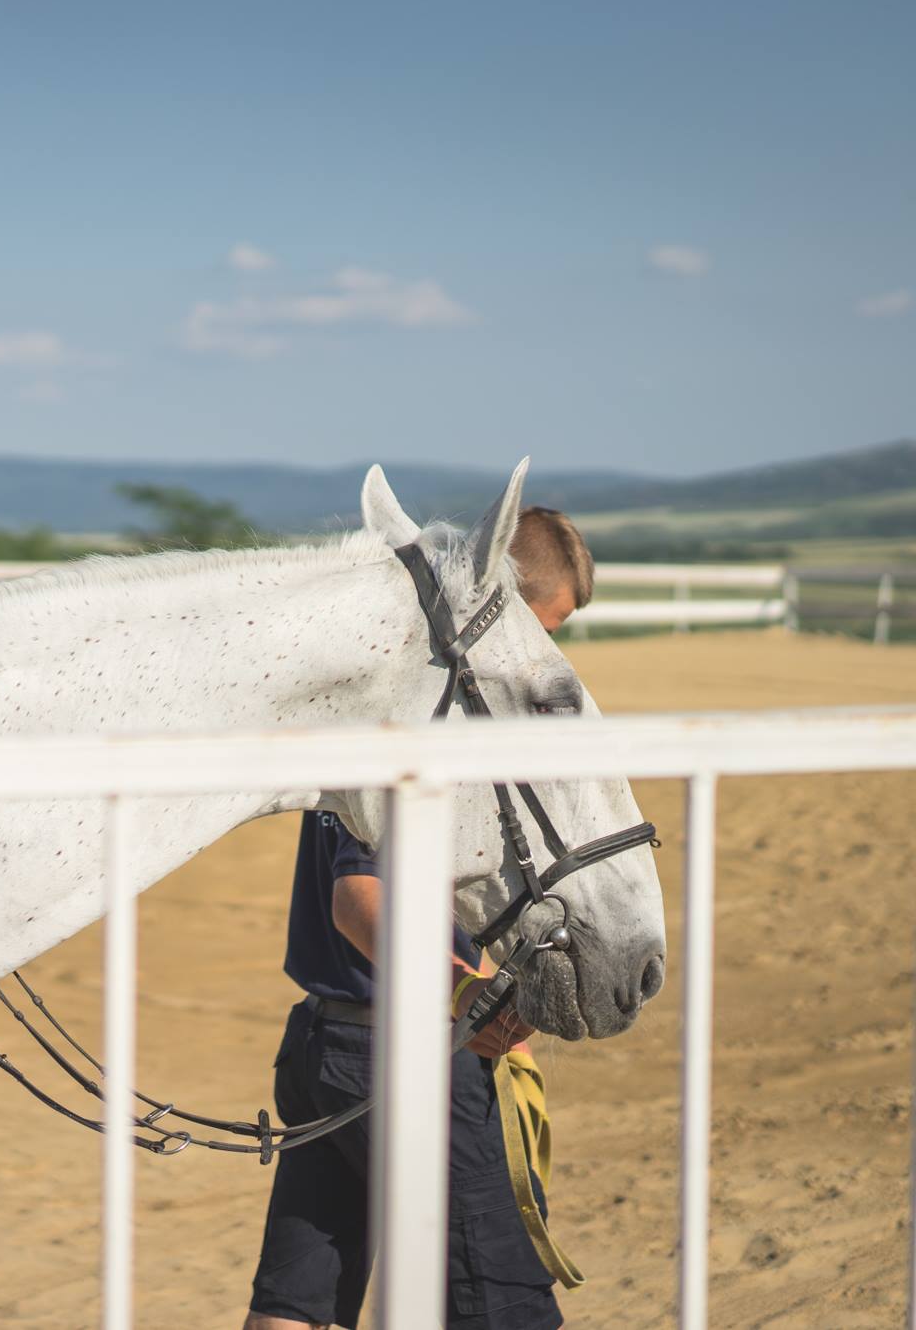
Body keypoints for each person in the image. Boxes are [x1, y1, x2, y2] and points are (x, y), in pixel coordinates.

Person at [244, 507, 596, 1330]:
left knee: (295, 1310)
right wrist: (464, 992)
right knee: (504, 1309)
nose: (551, 656)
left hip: (325, 1043)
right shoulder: (425, 732)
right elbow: (359, 899)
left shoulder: (378, 714)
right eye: (546, 632)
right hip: (401, 1055)